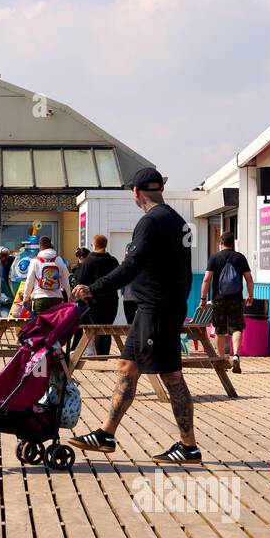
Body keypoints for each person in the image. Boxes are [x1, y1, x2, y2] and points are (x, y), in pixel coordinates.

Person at [70, 167, 200, 465]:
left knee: (171, 375)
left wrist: (93, 288)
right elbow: (183, 271)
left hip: (156, 309)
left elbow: (131, 267)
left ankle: (189, 446)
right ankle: (106, 433)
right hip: (160, 308)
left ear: (136, 192)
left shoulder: (150, 222)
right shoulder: (179, 222)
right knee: (127, 366)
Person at [201, 230, 254, 373]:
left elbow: (206, 279)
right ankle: (236, 355)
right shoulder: (240, 258)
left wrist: (203, 299)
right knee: (236, 328)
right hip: (236, 299)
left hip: (218, 299)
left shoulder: (214, 258)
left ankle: (221, 359)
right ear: (233, 244)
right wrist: (250, 295)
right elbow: (249, 279)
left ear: (221, 242)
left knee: (219, 329)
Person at [74, 235, 120, 356]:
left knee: (97, 329)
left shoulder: (89, 261)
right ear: (105, 245)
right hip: (112, 301)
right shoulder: (113, 261)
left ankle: (100, 358)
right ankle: (105, 356)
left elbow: (81, 281)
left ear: (93, 245)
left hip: (94, 301)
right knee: (107, 329)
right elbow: (118, 280)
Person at [22, 236, 70, 316]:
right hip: (56, 298)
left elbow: (29, 281)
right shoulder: (58, 259)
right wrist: (68, 296)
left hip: (40, 299)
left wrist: (26, 298)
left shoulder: (35, 261)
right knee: (55, 326)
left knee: (41, 326)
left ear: (40, 246)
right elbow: (65, 279)